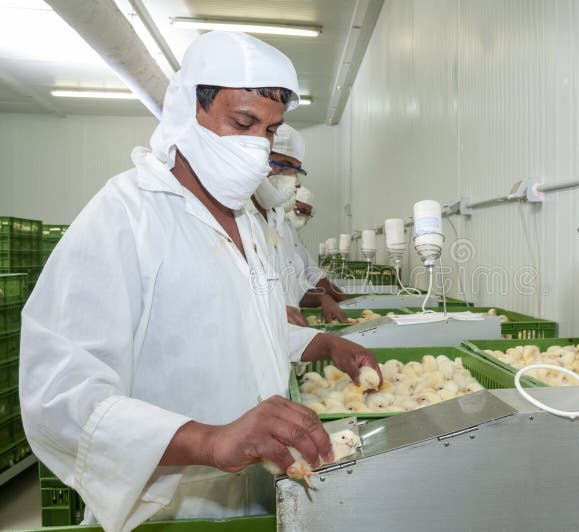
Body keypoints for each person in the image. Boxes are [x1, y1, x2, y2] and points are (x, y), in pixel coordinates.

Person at [19, 31, 381, 532]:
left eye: (270, 131)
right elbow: (60, 397)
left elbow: (247, 330)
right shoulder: (127, 214)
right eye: (243, 123)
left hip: (261, 495)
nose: (258, 147)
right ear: (190, 110)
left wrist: (325, 344)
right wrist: (210, 440)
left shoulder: (251, 227)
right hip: (171, 508)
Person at [250, 124, 347, 325]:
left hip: (290, 336)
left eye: (294, 170)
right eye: (283, 166)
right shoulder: (238, 214)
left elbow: (293, 286)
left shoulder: (277, 218)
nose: (288, 177)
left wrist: (322, 297)